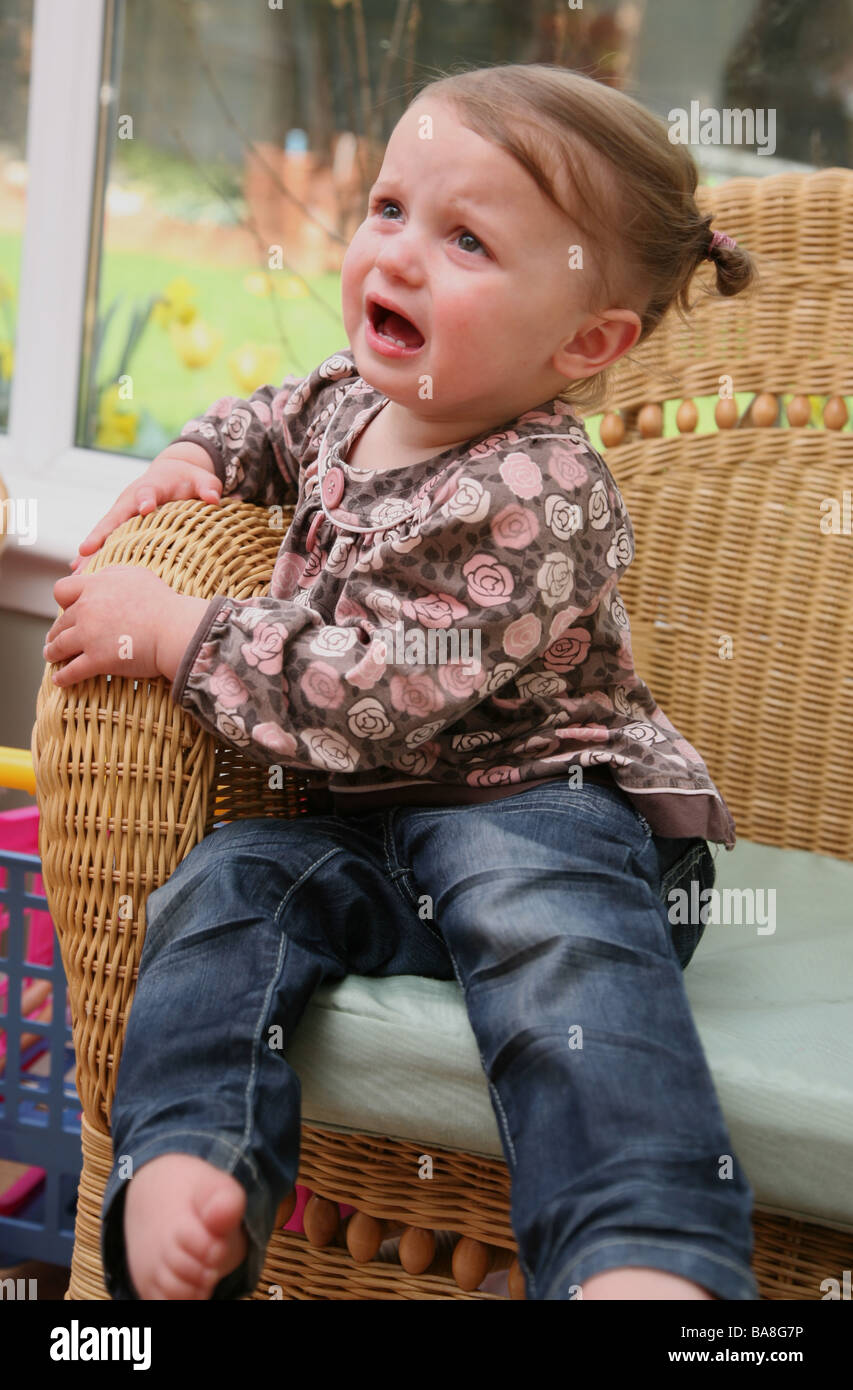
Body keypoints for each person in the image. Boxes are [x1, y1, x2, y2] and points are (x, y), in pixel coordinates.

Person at [47, 62, 761, 1301]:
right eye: (389, 210)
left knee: (556, 956)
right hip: (369, 836)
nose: (401, 255)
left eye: (468, 239)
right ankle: (185, 1160)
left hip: (544, 807)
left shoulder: (543, 489)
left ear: (585, 340)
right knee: (219, 894)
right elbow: (268, 419)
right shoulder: (351, 399)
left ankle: (642, 1248)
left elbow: (376, 693)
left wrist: (183, 634)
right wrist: (188, 455)